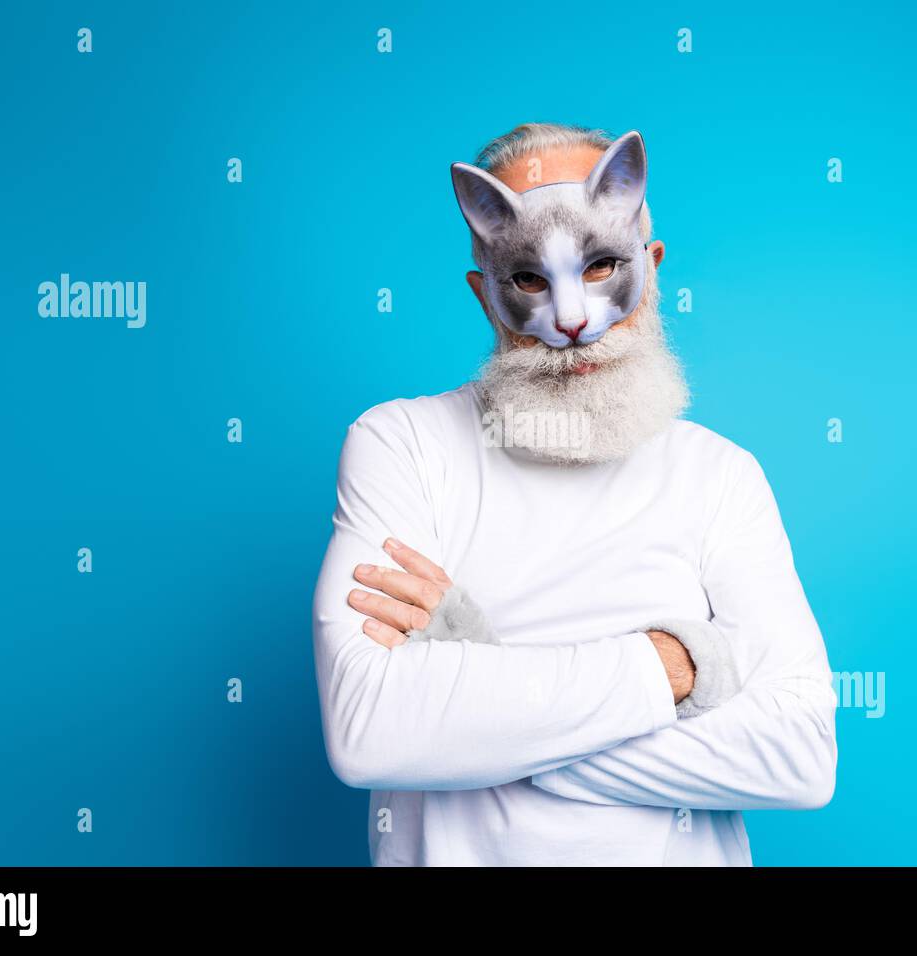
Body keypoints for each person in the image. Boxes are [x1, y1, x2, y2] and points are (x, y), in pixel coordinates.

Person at [312, 123, 837, 866]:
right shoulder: (402, 445)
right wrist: (675, 666)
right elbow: (370, 734)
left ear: (650, 267)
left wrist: (481, 691)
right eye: (529, 278)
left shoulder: (720, 475)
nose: (571, 322)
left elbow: (798, 757)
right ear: (486, 296)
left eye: (600, 269)